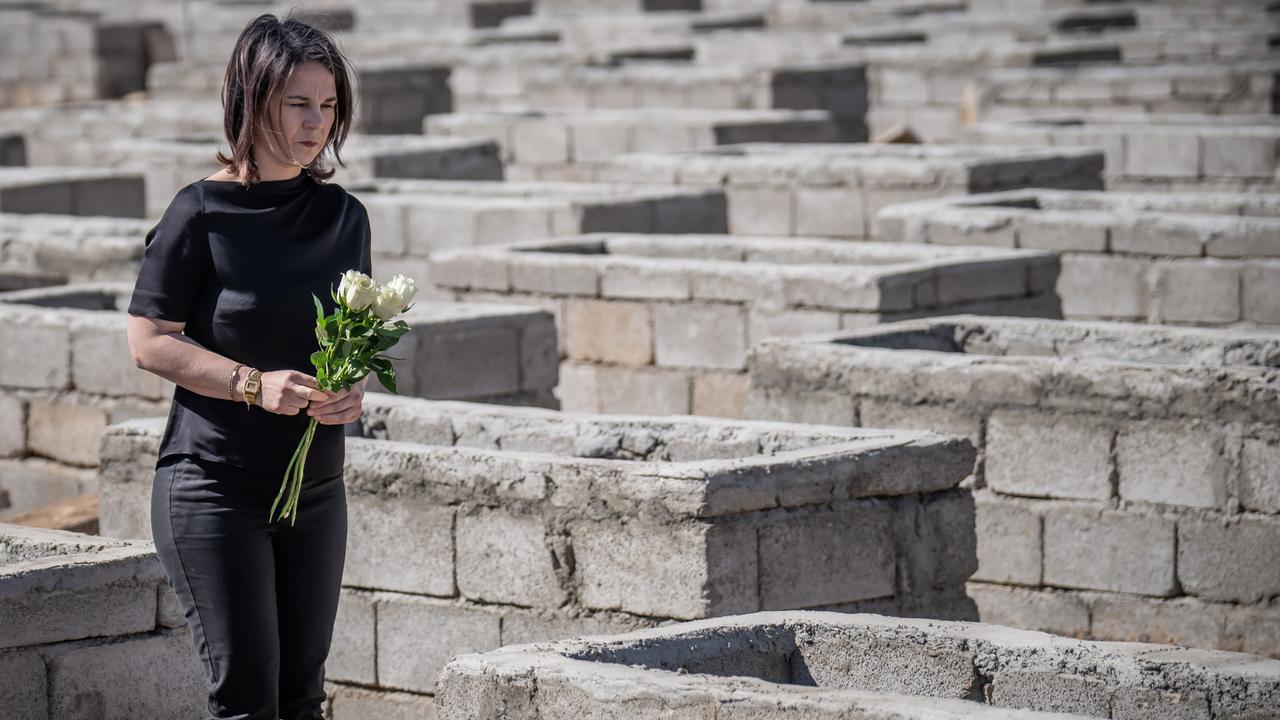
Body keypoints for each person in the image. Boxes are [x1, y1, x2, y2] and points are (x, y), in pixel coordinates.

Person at [125, 13, 369, 720]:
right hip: (214, 490)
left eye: (328, 106)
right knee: (246, 701)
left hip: (318, 490)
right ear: (251, 97)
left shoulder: (345, 217)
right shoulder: (199, 212)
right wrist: (253, 385)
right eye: (298, 103)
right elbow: (148, 341)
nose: (315, 122)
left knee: (303, 697)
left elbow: (345, 334)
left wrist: (349, 389)